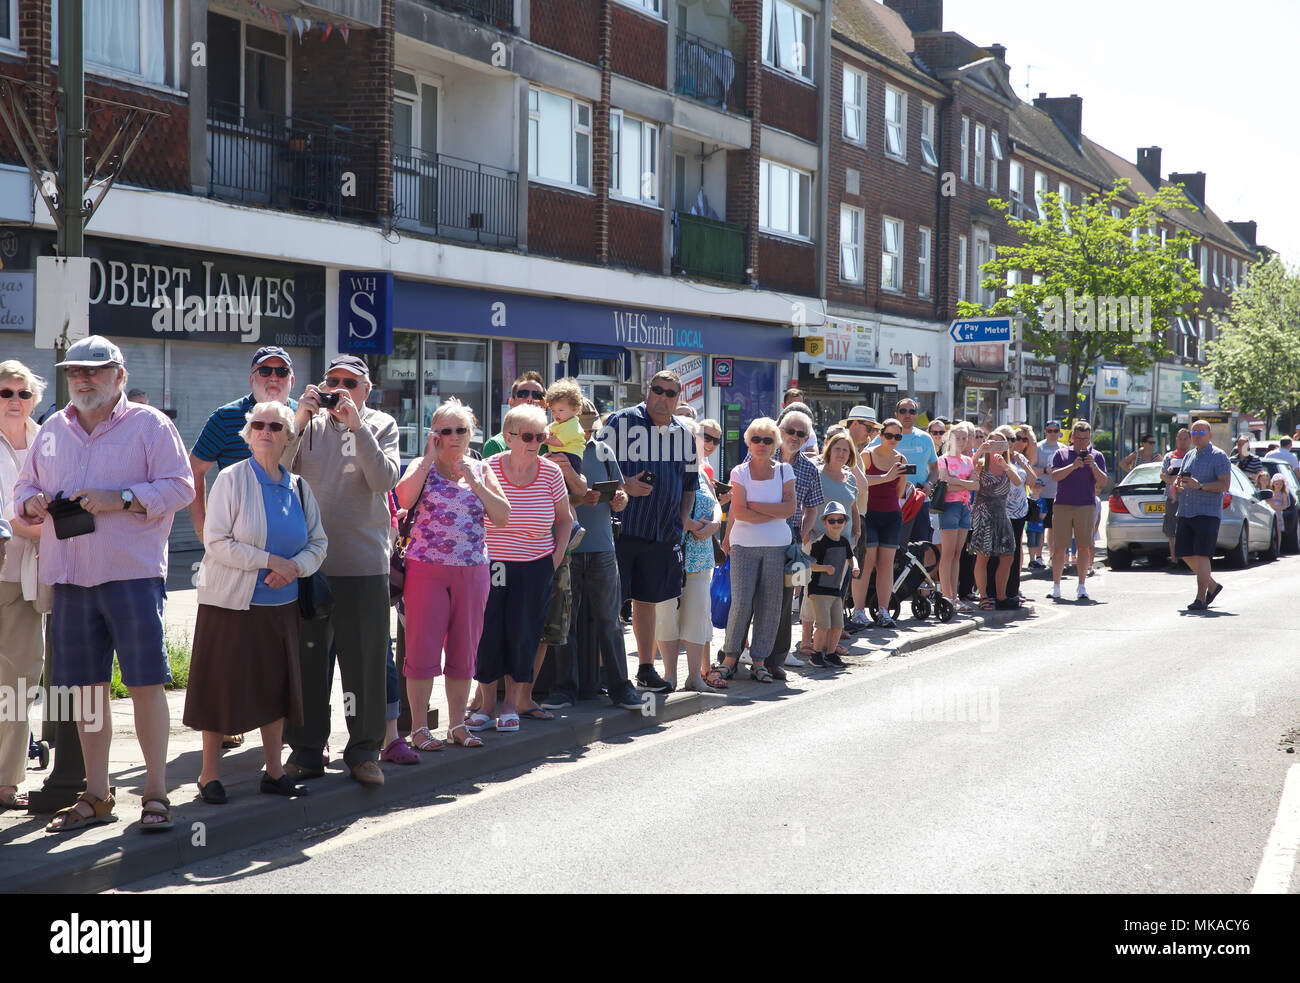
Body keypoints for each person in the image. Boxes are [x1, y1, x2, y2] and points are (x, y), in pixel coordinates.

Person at [17, 337, 195, 832]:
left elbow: (182, 486)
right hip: (70, 576)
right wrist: (31, 503)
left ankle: (156, 793)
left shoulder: (150, 425)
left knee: (144, 685)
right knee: (88, 694)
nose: (83, 379)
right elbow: (24, 488)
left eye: (94, 371)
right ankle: (96, 794)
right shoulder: (52, 428)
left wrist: (121, 497)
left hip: (132, 575)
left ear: (118, 374)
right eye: (75, 372)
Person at [184, 401, 326, 802]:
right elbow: (216, 542)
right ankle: (209, 775)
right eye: (258, 424)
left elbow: (319, 542)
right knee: (221, 686)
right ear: (248, 434)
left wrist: (294, 567)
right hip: (230, 604)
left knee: (276, 688)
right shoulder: (231, 479)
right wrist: (268, 561)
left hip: (282, 606)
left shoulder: (298, 487)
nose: (265, 430)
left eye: (275, 425)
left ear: (287, 437)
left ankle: (274, 771)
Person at [282, 355, 401, 787]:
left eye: (350, 382)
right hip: (311, 564)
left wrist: (357, 426)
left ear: (367, 389)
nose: (340, 388)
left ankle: (365, 750)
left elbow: (384, 481)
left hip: (363, 563)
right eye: (332, 380)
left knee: (365, 666)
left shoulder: (381, 424)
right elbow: (275, 470)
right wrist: (298, 419)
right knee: (309, 663)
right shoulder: (306, 423)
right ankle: (307, 749)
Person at [189, 345, 298, 750]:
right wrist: (202, 528)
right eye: (264, 371)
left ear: (291, 378)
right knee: (231, 648)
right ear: (251, 378)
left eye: (281, 371)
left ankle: (288, 737)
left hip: (290, 559)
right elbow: (195, 469)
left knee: (281, 652)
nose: (273, 378)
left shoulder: (307, 419)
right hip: (237, 552)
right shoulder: (226, 417)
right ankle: (225, 726)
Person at [395, 399, 510, 750]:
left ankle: (457, 725)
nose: (454, 436)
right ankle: (417, 728)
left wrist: (476, 482)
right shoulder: (422, 465)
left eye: (461, 429)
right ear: (434, 435)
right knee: (422, 649)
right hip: (425, 569)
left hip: (472, 570)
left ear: (471, 432)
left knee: (464, 651)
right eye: (445, 431)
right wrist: (428, 457)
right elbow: (402, 497)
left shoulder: (482, 470)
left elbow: (503, 517)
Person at [468, 404, 570, 732]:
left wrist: (552, 561)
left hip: (535, 565)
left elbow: (566, 521)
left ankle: (511, 704)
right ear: (509, 437)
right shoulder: (487, 468)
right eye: (528, 436)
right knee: (487, 633)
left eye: (541, 436)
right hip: (490, 565)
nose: (535, 442)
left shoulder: (551, 472)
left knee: (523, 634)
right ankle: (486, 705)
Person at [598, 370, 697, 693]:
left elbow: (689, 485)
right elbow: (595, 468)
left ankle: (645, 668)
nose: (664, 398)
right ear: (647, 391)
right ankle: (606, 673)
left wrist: (683, 519)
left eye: (671, 393)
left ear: (679, 398)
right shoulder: (620, 423)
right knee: (611, 604)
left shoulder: (684, 434)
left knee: (648, 602)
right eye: (658, 390)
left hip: (662, 532)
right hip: (621, 530)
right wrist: (625, 485)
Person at [544, 401, 642, 711]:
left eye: (589, 425)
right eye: (579, 422)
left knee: (610, 621)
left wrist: (619, 499)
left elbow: (621, 491)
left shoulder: (602, 450)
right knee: (566, 623)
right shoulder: (552, 450)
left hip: (601, 547)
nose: (585, 430)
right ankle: (564, 689)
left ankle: (620, 687)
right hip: (568, 548)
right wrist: (579, 497)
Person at [0, 361, 46, 810]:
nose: (15, 400)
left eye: (23, 393)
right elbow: (10, 518)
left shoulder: (46, 441)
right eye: (6, 392)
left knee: (18, 683)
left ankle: (6, 782)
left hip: (27, 577)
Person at [716, 418, 793, 683]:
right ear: (749, 442)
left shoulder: (785, 471)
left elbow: (790, 509)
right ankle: (730, 657)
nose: (761, 444)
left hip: (777, 546)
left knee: (769, 605)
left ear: (775, 444)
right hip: (743, 546)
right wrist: (773, 512)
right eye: (756, 439)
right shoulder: (740, 471)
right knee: (740, 603)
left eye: (767, 440)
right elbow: (739, 512)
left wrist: (755, 506)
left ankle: (759, 660)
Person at [654, 417, 724, 692]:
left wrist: (716, 523)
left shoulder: (701, 470)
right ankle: (670, 675)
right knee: (667, 616)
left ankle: (694, 676)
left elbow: (716, 504)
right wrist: (691, 525)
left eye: (694, 437)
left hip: (700, 555)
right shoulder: (663, 468)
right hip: (669, 554)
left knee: (697, 616)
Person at [798, 431, 859, 659]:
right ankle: (807, 641)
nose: (841, 453)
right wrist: (806, 532)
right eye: (838, 449)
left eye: (846, 450)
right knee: (811, 592)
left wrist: (857, 529)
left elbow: (852, 506)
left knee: (835, 592)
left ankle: (827, 642)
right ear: (829, 450)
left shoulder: (850, 477)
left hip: (842, 545)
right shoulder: (817, 474)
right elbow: (807, 504)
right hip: (816, 542)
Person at [1175, 420, 1232, 610]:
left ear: (1210, 435)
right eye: (1194, 432)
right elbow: (1183, 478)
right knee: (1183, 553)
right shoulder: (1189, 455)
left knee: (1202, 555)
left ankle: (1200, 598)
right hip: (1186, 511)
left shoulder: (1219, 456)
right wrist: (1179, 484)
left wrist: (1200, 485)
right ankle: (1213, 586)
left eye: (1201, 432)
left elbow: (1224, 485)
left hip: (1207, 513)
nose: (1197, 436)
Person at [1047, 421, 1106, 601]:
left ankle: (1081, 586)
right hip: (1063, 505)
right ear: (1072, 437)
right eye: (1079, 438)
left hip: (1086, 506)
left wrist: (1093, 465)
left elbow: (1103, 482)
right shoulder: (1061, 453)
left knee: (1084, 547)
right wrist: (1073, 466)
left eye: (1085, 439)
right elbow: (1055, 476)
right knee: (1059, 548)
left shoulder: (1097, 456)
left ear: (1090, 438)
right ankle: (1056, 586)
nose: (1082, 443)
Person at [859, 418, 909, 627]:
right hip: (869, 514)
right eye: (889, 435)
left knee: (886, 565)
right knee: (866, 563)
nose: (893, 440)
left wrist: (890, 479)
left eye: (898, 436)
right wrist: (886, 477)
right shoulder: (867, 455)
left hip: (891, 516)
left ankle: (883, 611)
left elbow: (900, 491)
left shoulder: (902, 459)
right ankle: (858, 612)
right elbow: (860, 481)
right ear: (881, 435)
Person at [969, 429, 1021, 610]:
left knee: (1007, 556)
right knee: (983, 556)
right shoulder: (981, 464)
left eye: (1000, 443)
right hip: (983, 512)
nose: (996, 446)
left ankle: (1001, 596)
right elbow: (967, 468)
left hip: (1001, 513)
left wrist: (1006, 466)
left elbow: (1017, 481)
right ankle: (983, 597)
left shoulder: (1008, 466)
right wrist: (980, 451)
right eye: (992, 442)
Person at [936, 422, 977, 611]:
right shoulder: (943, 459)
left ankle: (955, 596)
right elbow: (945, 485)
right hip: (950, 507)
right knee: (948, 553)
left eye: (964, 438)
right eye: (957, 438)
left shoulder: (968, 461)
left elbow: (976, 485)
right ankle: (947, 596)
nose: (961, 441)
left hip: (964, 506)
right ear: (949, 439)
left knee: (957, 554)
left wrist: (956, 481)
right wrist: (965, 483)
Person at [806, 502, 854, 667]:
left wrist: (855, 566)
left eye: (839, 521)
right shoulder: (820, 542)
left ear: (845, 523)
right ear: (825, 522)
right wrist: (824, 568)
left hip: (834, 590)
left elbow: (851, 556)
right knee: (823, 625)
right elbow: (809, 564)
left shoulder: (844, 542)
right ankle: (816, 654)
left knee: (838, 626)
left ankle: (832, 654)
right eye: (832, 521)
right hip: (818, 590)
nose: (836, 524)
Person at [997, 425, 1038, 603]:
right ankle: (999, 592)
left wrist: (1021, 462)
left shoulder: (1019, 457)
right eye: (1009, 439)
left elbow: (1032, 480)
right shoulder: (996, 458)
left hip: (1019, 512)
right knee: (1001, 554)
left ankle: (1013, 590)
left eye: (1014, 439)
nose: (1013, 443)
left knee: (1013, 552)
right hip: (1001, 511)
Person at [483, 372, 546, 456]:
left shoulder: (557, 442)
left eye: (537, 395)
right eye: (523, 394)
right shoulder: (496, 445)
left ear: (545, 405)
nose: (530, 398)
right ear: (511, 402)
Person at [1031, 421, 1065, 568]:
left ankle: (1053, 556)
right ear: (1045, 431)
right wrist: (1046, 471)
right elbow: (1031, 468)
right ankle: (1038, 557)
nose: (1052, 433)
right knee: (1039, 527)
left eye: (1055, 430)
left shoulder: (1063, 449)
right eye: (1050, 430)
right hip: (1041, 494)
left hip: (1058, 494)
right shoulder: (1038, 447)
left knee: (1054, 528)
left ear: (1059, 432)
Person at [542, 377, 587, 475]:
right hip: (559, 455)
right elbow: (547, 428)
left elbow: (558, 442)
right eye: (553, 410)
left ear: (575, 409)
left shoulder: (572, 425)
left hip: (571, 457)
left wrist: (544, 438)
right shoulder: (560, 423)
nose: (556, 414)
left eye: (561, 410)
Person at [1161, 428, 1192, 567]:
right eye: (1180, 438)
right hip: (1172, 497)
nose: (1182, 441)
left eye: (1185, 439)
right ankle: (1174, 558)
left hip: (1191, 497)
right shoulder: (1169, 456)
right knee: (1172, 529)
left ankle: (1189, 560)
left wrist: (1180, 479)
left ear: (1190, 440)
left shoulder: (1194, 455)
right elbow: (1162, 475)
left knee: (1189, 528)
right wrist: (1173, 479)